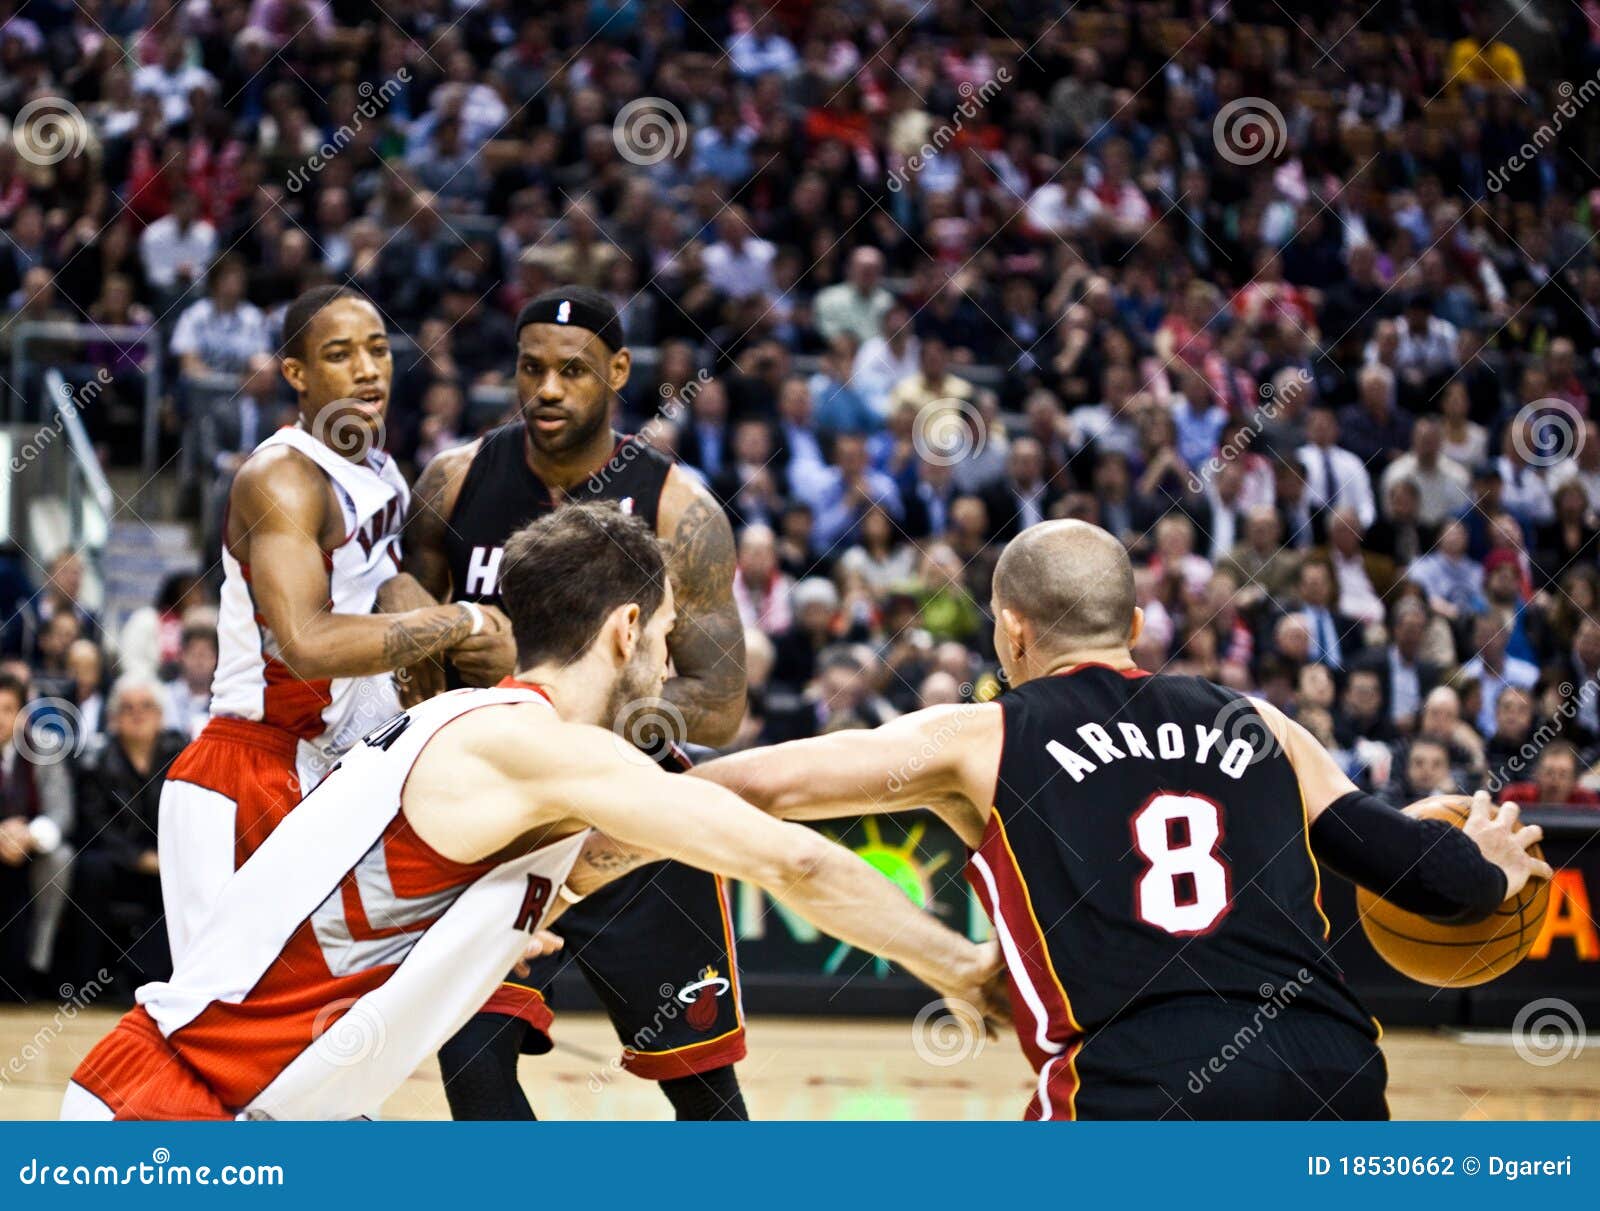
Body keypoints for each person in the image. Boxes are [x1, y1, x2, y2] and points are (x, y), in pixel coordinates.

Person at [61, 505, 1001, 1121]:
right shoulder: (532, 746)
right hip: (177, 1110)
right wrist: (960, 967)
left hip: (245, 1106)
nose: (670, 665)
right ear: (627, 629)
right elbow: (790, 864)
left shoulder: (486, 737)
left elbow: (622, 845)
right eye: (666, 634)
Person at [693, 520, 1550, 1120]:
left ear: (1010, 631)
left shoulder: (979, 735)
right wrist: (1492, 858)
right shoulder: (1262, 720)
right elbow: (1442, 885)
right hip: (1332, 1075)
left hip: (1141, 1088)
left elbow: (757, 787)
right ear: (1136, 627)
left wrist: (599, 796)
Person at [402, 287, 752, 1120]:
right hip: (499, 825)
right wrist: (438, 640)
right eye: (532, 369)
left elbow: (721, 701)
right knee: (476, 1067)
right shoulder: (453, 483)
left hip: (629, 819)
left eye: (573, 371)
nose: (548, 390)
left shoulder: (677, 507)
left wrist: (564, 704)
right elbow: (402, 621)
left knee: (703, 1090)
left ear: (619, 373)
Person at [157, 285, 509, 971]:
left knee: (336, 1030)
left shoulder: (382, 472)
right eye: (341, 355)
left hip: (332, 768)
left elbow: (391, 599)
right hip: (249, 769)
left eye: (377, 350)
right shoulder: (281, 478)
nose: (368, 369)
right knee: (211, 1034)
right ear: (297, 374)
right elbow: (309, 641)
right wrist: (460, 619)